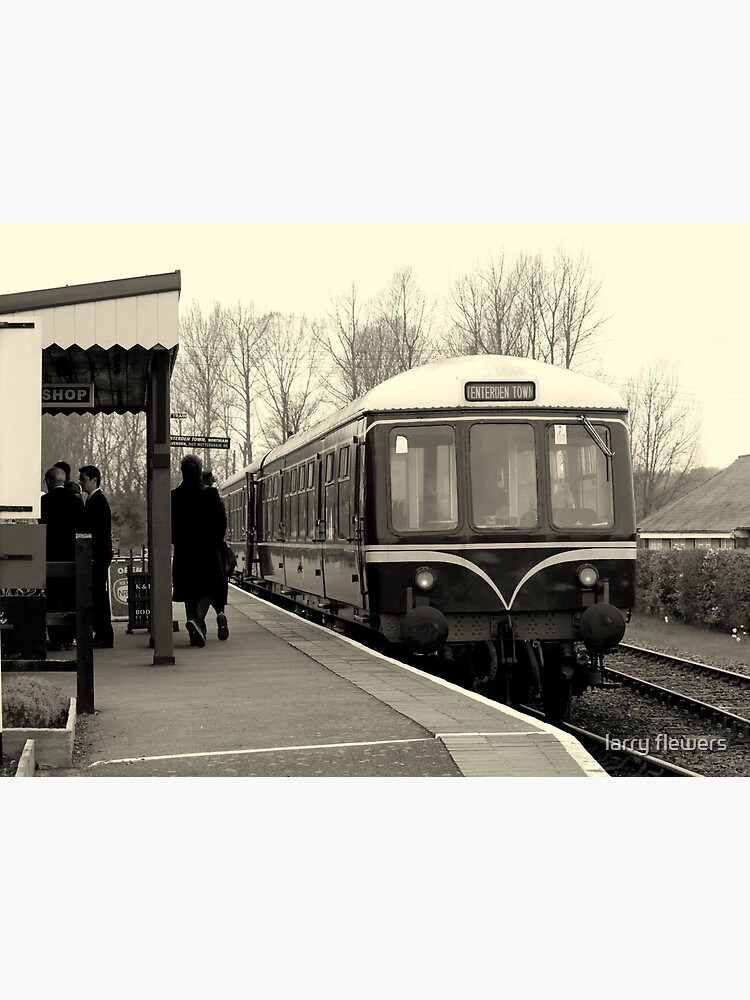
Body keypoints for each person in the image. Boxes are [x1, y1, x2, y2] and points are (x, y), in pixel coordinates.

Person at [172, 454, 228, 647]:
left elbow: (169, 526)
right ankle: (197, 620)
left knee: (189, 591)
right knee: (210, 588)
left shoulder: (174, 496)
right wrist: (214, 544)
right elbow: (221, 523)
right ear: (199, 470)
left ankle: (196, 632)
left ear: (182, 472)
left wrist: (178, 543)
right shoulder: (210, 494)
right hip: (207, 553)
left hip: (183, 554)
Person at [40, 466, 85, 649]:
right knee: (70, 596)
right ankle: (69, 637)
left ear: (49, 481)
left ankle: (56, 638)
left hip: (50, 556)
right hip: (72, 556)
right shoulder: (75, 502)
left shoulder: (44, 501)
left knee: (53, 598)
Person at [78, 464, 115, 648]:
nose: (80, 482)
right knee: (99, 593)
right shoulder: (97, 501)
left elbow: (96, 532)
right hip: (100, 554)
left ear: (94, 480)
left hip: (97, 554)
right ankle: (102, 633)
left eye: (83, 479)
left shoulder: (97, 502)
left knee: (99, 594)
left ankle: (104, 634)